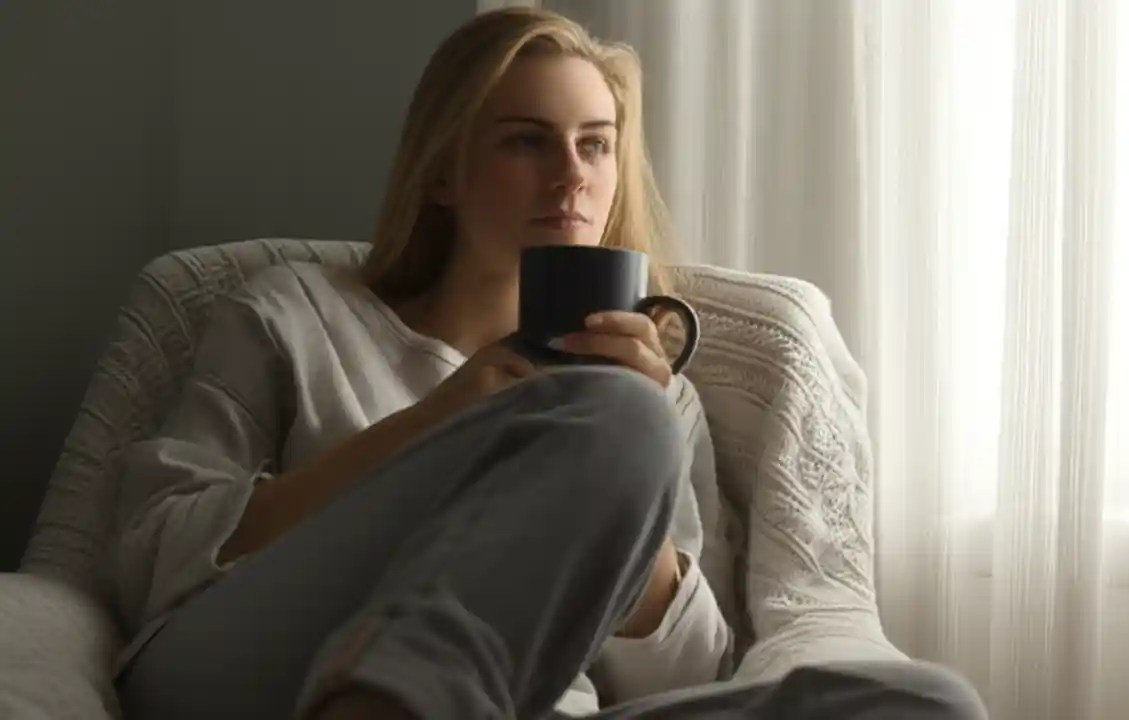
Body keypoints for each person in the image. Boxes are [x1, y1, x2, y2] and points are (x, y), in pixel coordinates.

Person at [109, 7, 986, 720]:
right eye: (527, 142)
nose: (571, 175)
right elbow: (154, 555)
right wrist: (434, 424)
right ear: (444, 171)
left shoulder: (649, 389)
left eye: (595, 144)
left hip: (528, 701)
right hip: (255, 672)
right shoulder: (290, 313)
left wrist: (626, 479)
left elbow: (685, 671)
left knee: (920, 704)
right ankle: (397, 695)